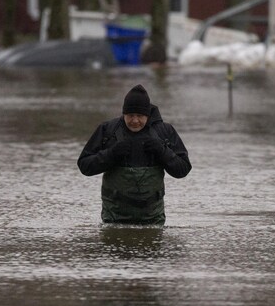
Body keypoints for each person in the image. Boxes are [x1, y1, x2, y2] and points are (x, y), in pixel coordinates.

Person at [77, 84, 192, 225]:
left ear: (148, 115)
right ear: (124, 113)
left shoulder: (164, 132)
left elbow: (183, 169)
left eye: (140, 116)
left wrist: (162, 151)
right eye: (130, 115)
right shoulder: (108, 130)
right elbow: (84, 166)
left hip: (153, 220)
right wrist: (111, 154)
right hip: (114, 219)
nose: (135, 121)